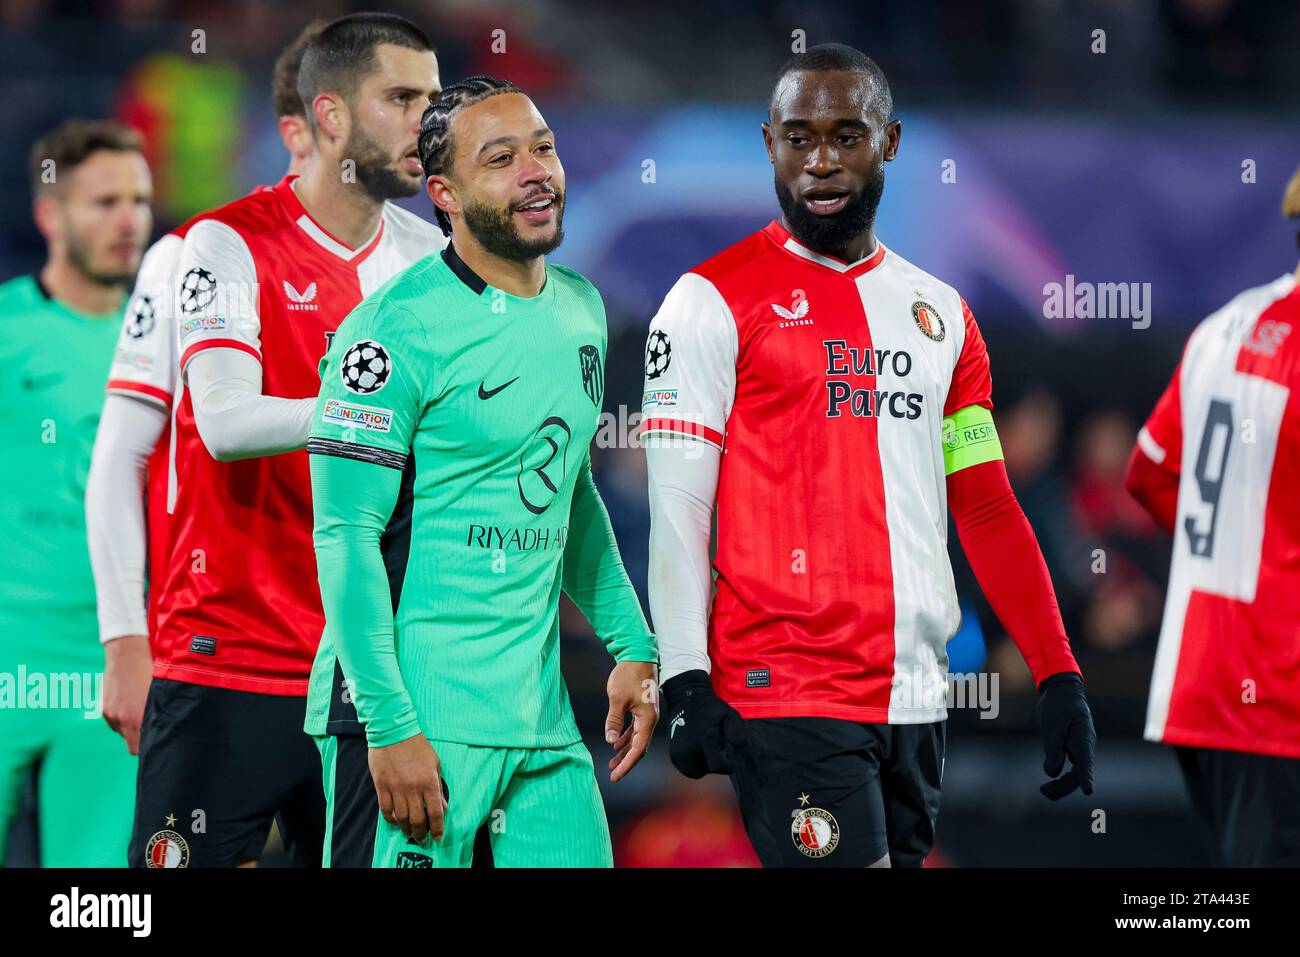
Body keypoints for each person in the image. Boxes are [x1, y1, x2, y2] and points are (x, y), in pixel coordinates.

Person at [643, 43, 1095, 868]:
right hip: (785, 690)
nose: (821, 161)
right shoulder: (706, 301)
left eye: (847, 136)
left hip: (917, 692)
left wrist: (1057, 669)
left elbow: (987, 505)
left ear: (889, 142)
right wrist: (683, 676)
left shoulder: (943, 315)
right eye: (799, 136)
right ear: (768, 143)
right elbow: (679, 508)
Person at [306, 75, 658, 868]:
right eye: (501, 158)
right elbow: (345, 533)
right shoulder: (391, 331)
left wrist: (631, 641)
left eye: (545, 147)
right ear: (446, 193)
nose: (538, 171)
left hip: (540, 724)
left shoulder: (582, 310)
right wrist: (390, 724)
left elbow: (571, 494)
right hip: (414, 721)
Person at [125, 12, 444, 869]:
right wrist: (379, 420)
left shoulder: (434, 261)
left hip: (369, 675)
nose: (430, 123)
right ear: (332, 116)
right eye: (404, 98)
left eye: (434, 100)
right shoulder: (223, 244)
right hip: (230, 656)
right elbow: (227, 423)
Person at [87, 17, 326, 761]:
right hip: (218, 650)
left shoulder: (411, 270)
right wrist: (126, 641)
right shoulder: (188, 256)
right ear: (299, 129)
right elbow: (120, 458)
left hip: (351, 663)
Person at [1125, 165, 1300, 867]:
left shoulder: (1224, 327)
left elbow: (1149, 473)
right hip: (1279, 698)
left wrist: (1237, 548)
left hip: (1199, 685)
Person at [0, 120, 152, 866]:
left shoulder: (173, 343)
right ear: (49, 214)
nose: (128, 220)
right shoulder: (5, 330)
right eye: (103, 202)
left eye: (139, 199)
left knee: (92, 899)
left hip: (113, 663)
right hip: (7, 651)